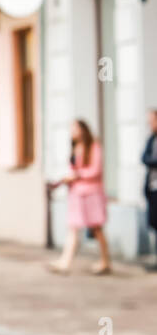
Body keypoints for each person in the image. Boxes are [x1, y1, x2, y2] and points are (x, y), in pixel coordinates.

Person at [49, 118, 112, 275]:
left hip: (91, 194)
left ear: (83, 130)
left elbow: (95, 170)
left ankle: (105, 261)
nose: (72, 132)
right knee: (73, 227)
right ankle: (65, 261)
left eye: (74, 129)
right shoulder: (75, 148)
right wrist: (66, 178)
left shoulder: (94, 146)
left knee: (97, 229)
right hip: (77, 194)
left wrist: (77, 175)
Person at [145, 109, 157, 271]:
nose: (150, 124)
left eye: (152, 120)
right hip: (153, 186)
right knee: (154, 223)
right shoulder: (152, 139)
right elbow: (144, 157)